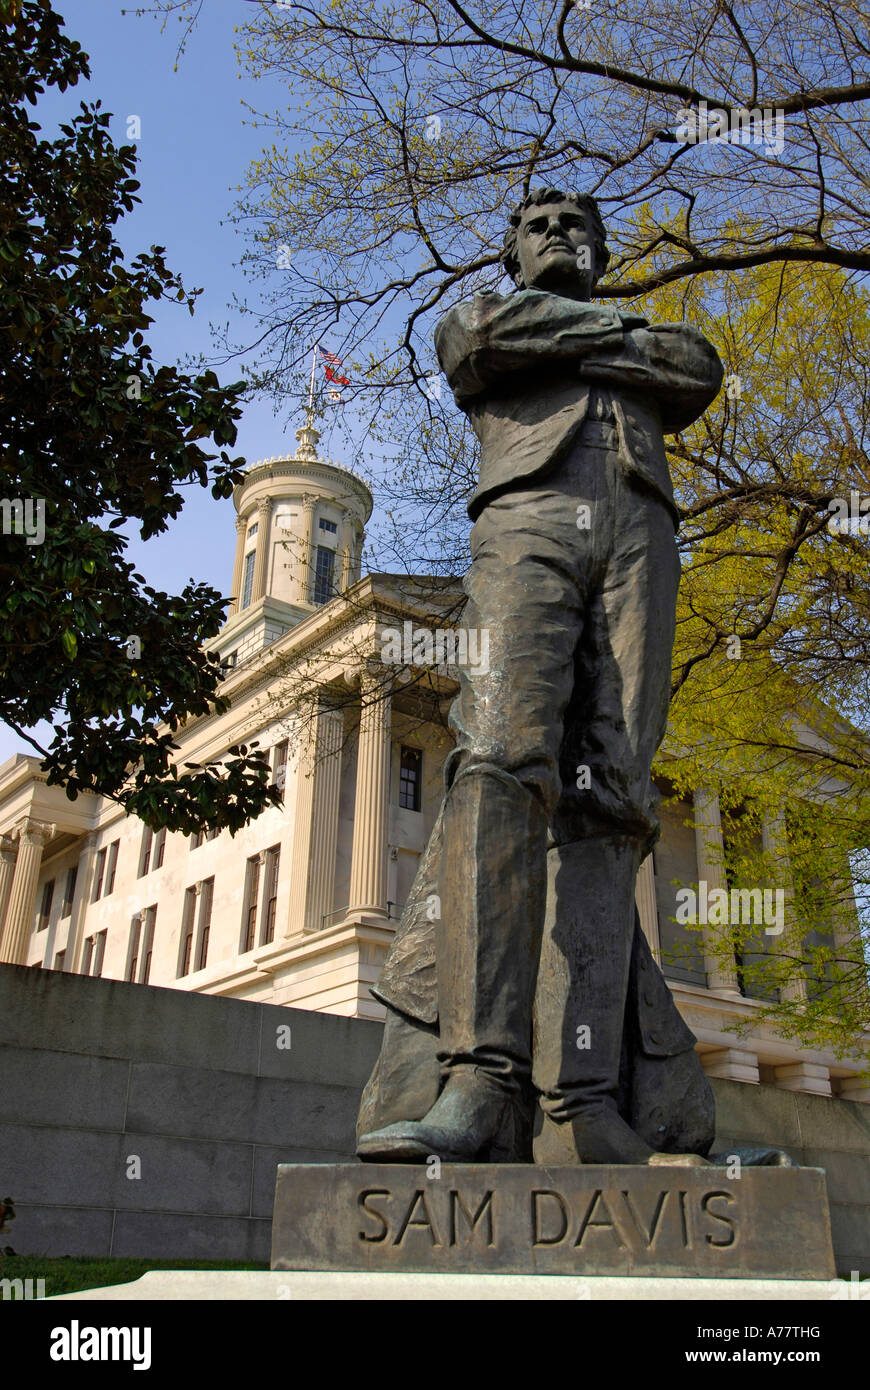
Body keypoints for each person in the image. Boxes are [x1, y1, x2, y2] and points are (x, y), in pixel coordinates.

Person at [357, 187, 723, 1165]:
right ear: (514, 256)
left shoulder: (629, 328)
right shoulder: (496, 313)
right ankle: (482, 1079)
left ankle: (589, 1099)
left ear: (604, 254)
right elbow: (471, 342)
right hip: (527, 520)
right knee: (497, 764)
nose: (561, 232)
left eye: (580, 226)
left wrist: (572, 337)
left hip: (641, 530)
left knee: (617, 801)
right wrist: (612, 337)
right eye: (540, 226)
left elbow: (695, 364)